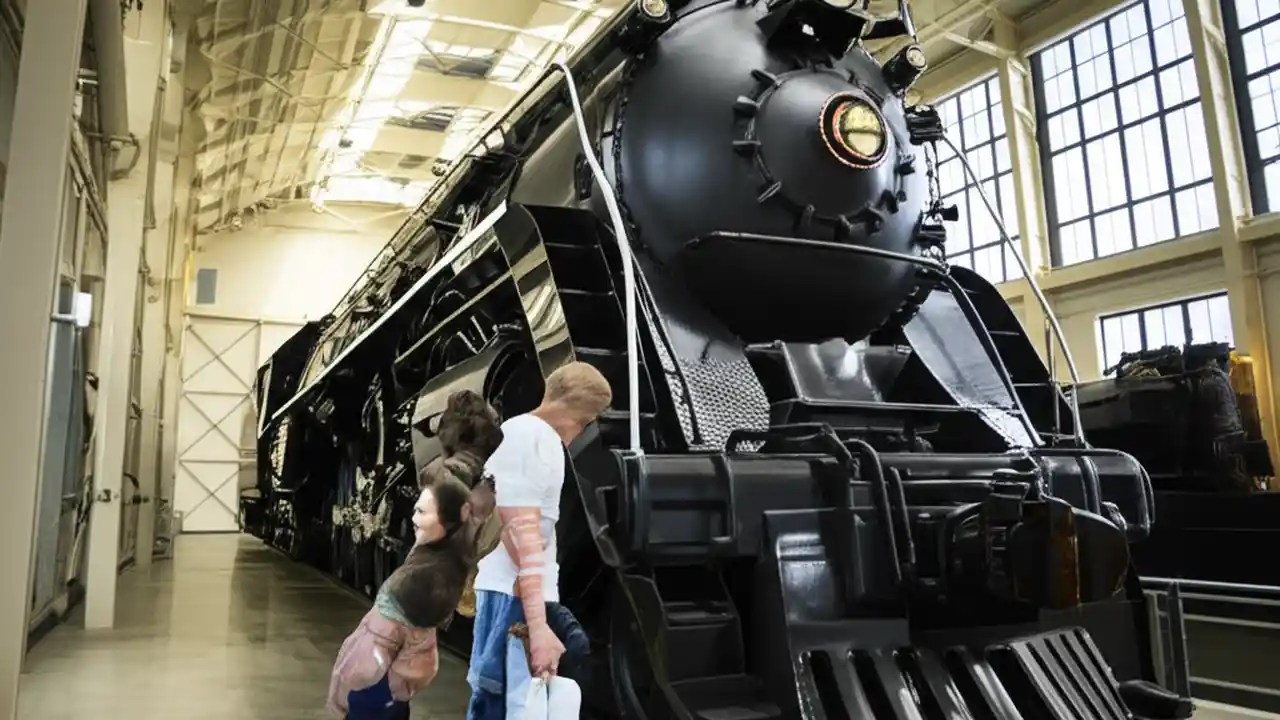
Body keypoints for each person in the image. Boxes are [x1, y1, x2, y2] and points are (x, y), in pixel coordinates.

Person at [327, 391, 504, 720]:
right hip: (437, 600)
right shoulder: (491, 489)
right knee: (402, 672)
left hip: (410, 593)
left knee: (363, 671)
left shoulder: (443, 477)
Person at [465, 361, 613, 720]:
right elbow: (523, 533)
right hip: (514, 598)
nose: (584, 429)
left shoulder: (515, 431)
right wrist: (539, 626)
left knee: (497, 704)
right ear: (577, 406)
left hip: (507, 592)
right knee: (507, 707)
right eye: (588, 418)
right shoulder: (537, 439)